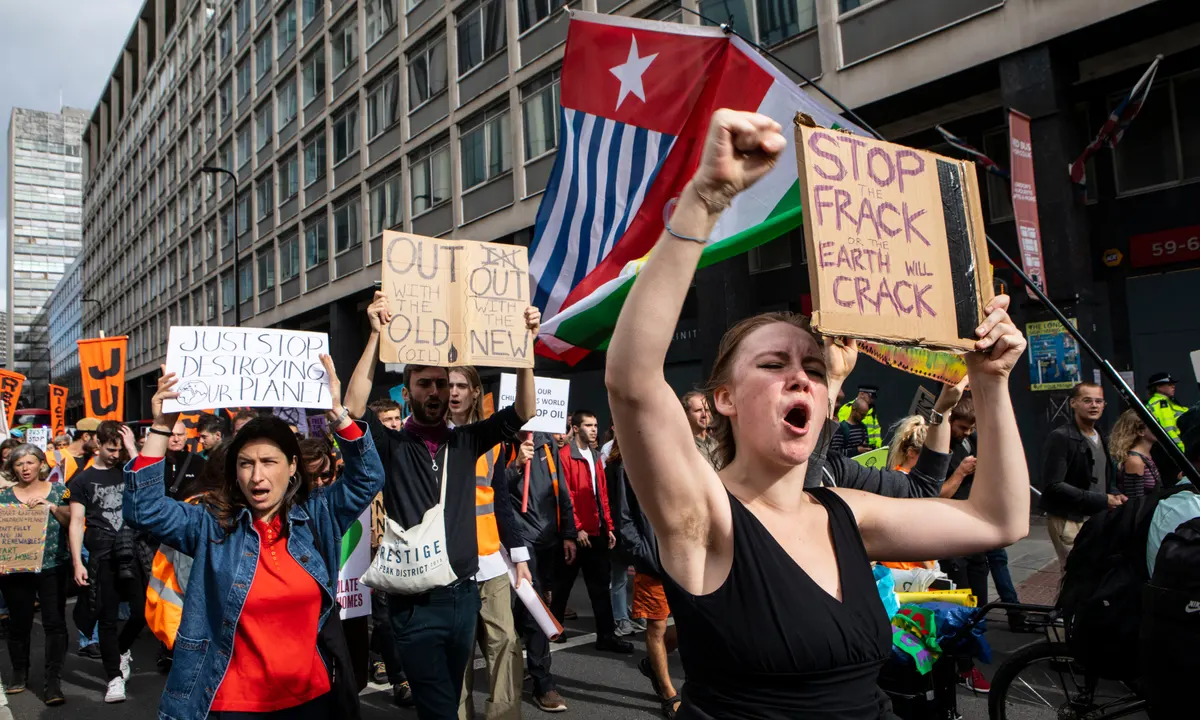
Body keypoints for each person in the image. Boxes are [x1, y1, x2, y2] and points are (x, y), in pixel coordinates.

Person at [604, 109, 1030, 718]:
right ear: (724, 398)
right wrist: (706, 197)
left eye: (811, 365)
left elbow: (1000, 519)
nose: (800, 375)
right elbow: (632, 382)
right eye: (773, 364)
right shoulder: (705, 516)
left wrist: (991, 382)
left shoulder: (846, 513)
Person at [122, 358, 383, 719]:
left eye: (269, 462)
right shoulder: (212, 525)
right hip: (234, 704)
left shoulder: (317, 516)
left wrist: (339, 415)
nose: (257, 476)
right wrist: (162, 427)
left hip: (313, 700)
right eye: (246, 463)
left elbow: (367, 477)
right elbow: (143, 509)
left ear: (292, 467)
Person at [343, 291, 538, 720]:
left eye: (443, 384)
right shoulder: (392, 445)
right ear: (408, 389)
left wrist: (526, 346)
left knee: (449, 701)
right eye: (425, 383)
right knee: (439, 707)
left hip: (463, 597)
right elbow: (353, 408)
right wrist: (375, 337)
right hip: (413, 603)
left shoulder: (467, 442)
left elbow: (525, 409)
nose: (436, 391)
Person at [447, 365, 528, 720]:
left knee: (506, 643)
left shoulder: (492, 441)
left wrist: (519, 554)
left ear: (476, 391)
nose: (453, 392)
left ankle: (504, 715)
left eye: (462, 385)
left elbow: (499, 503)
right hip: (448, 566)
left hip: (491, 560)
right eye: (447, 385)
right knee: (458, 651)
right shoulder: (427, 438)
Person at [68, 419, 146, 703]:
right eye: (111, 449)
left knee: (140, 612)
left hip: (130, 551)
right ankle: (113, 677)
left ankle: (122, 651)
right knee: (107, 618)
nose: (116, 454)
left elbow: (147, 482)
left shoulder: (127, 470)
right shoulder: (82, 480)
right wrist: (77, 562)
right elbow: (76, 522)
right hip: (101, 555)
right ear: (97, 445)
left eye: (119, 449)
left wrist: (133, 450)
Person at [553, 409, 633, 654]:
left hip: (597, 531)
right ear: (575, 428)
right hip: (576, 534)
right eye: (588, 425)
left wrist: (608, 526)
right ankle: (554, 628)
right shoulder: (566, 456)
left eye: (596, 425)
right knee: (563, 586)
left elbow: (602, 496)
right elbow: (566, 496)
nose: (594, 429)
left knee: (600, 587)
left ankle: (606, 636)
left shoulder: (597, 456)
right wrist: (575, 529)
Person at [610, 434, 679, 718]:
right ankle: (667, 692)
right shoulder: (627, 465)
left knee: (692, 623)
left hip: (683, 560)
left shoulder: (676, 460)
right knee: (657, 628)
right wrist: (645, 556)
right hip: (653, 562)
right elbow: (624, 518)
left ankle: (653, 663)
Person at [506, 430, 575, 712]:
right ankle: (543, 683)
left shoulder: (547, 444)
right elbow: (492, 486)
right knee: (536, 612)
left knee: (534, 608)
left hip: (549, 538)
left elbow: (562, 489)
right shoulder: (502, 440)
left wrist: (568, 532)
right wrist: (516, 465)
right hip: (519, 538)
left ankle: (526, 666)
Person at [0, 445, 72, 704]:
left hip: (52, 566)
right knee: (19, 624)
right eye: (19, 464)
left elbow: (71, 521)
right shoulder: (4, 496)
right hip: (16, 570)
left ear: (41, 464)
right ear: (13, 468)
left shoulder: (60, 491)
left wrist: (50, 507)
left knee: (55, 624)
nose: (25, 468)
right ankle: (19, 673)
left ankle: (53, 681)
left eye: (30, 462)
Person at [1040, 382, 1124, 565]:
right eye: (1087, 400)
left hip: (1097, 517)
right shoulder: (1061, 437)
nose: (1094, 405)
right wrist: (1102, 499)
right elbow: (1053, 486)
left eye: (1098, 401)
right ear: (1073, 403)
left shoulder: (1100, 435)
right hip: (1070, 519)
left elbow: (1104, 477)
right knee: (1077, 577)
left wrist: (1114, 494)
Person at [1111, 409, 1161, 500]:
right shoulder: (1135, 461)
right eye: (1153, 425)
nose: (1159, 428)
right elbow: (1135, 503)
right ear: (1141, 432)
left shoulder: (1147, 455)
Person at [164, 420, 207, 501]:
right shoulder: (156, 463)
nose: (176, 439)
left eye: (180, 435)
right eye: (171, 435)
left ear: (185, 437)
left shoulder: (199, 463)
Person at [1147, 372, 1186, 451]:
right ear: (1159, 387)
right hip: (1178, 449)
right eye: (1169, 384)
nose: (1173, 386)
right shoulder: (1161, 403)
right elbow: (1169, 429)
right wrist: (1182, 450)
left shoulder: (1168, 402)